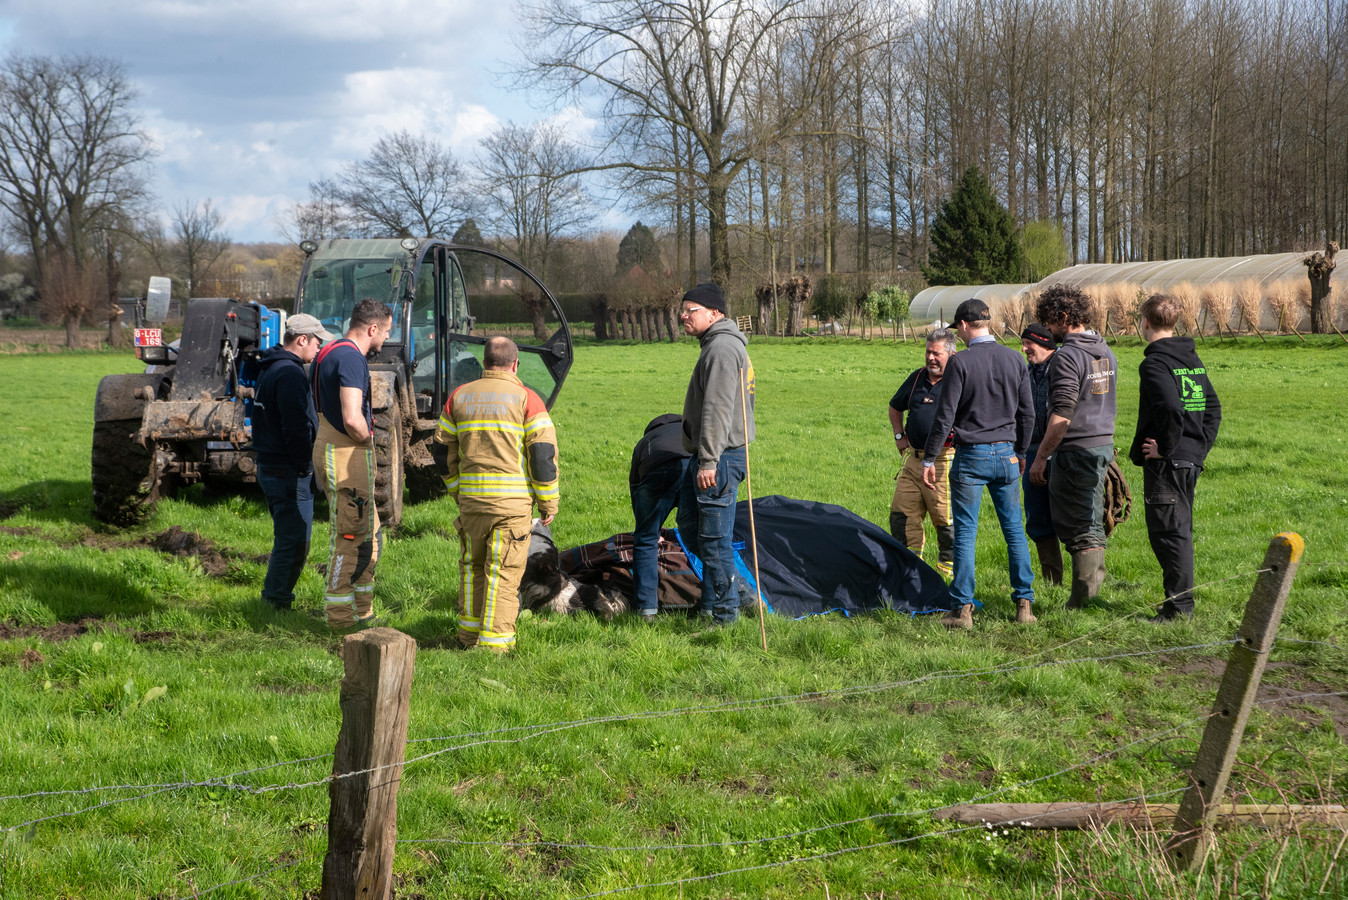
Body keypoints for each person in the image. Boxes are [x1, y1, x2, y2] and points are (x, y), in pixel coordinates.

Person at [434, 336, 559, 651]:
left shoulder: (458, 397)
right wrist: (548, 502)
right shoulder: (528, 399)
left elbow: (440, 451)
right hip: (511, 508)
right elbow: (543, 457)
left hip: (471, 505)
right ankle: (493, 649)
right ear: (515, 363)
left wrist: (457, 491)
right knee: (502, 574)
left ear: (485, 362)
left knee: (472, 569)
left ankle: (467, 637)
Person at [921, 298, 1036, 629]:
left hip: (971, 455)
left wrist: (929, 457)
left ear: (965, 326)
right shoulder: (1015, 359)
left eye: (959, 327)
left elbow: (945, 415)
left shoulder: (960, 363)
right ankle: (1024, 605)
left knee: (967, 533)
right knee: (1014, 529)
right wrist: (1022, 451)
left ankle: (962, 611)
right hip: (1007, 455)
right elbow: (1027, 413)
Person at [1129, 293, 1221, 622]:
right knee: (1178, 530)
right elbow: (1212, 408)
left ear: (1146, 322)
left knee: (1169, 533)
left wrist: (1166, 449)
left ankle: (1179, 608)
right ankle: (1176, 603)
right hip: (1189, 459)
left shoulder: (1154, 363)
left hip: (1169, 462)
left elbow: (1170, 407)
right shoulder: (1191, 360)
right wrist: (1198, 448)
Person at [1029, 285, 1118, 609]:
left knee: (1081, 525)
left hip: (1077, 450)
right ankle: (1089, 593)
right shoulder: (1104, 349)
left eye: (1049, 322)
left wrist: (1041, 457)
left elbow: (1062, 413)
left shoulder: (1068, 356)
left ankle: (1083, 599)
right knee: (1089, 520)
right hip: (1102, 445)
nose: (1048, 330)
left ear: (1063, 316)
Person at [676, 282, 755, 626]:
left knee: (713, 540)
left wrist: (708, 460)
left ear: (715, 313)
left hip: (720, 459)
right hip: (715, 456)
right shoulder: (717, 345)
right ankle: (731, 597)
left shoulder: (721, 349)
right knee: (692, 527)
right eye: (683, 310)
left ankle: (725, 616)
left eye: (690, 310)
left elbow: (718, 410)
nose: (683, 316)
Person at [311, 298, 393, 629]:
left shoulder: (329, 351)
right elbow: (352, 417)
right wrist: (371, 441)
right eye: (386, 331)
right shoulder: (351, 359)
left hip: (332, 449)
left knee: (369, 533)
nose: (386, 338)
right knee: (350, 537)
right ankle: (341, 619)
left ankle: (364, 611)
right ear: (372, 328)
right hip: (346, 455)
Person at [252, 313, 334, 611]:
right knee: (295, 541)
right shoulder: (289, 374)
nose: (318, 348)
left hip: (270, 464)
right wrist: (305, 466)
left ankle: (275, 599)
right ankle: (275, 602)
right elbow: (295, 426)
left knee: (290, 538)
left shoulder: (271, 366)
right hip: (287, 469)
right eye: (316, 342)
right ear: (302, 340)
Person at [887, 329, 957, 578]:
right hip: (913, 460)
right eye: (927, 352)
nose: (930, 358)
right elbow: (895, 406)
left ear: (951, 354)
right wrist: (899, 436)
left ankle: (946, 577)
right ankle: (910, 572)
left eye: (936, 353)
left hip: (943, 461)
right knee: (901, 516)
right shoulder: (917, 378)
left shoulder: (958, 381)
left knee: (946, 522)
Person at [629, 414, 691, 622]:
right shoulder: (689, 430)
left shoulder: (645, 442)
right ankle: (710, 608)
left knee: (645, 541)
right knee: (702, 539)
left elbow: (635, 488)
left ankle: (647, 611)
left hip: (658, 472)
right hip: (694, 469)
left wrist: (649, 529)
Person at [1020, 323, 1062, 585]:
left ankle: (1085, 588)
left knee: (1069, 517)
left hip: (1061, 451)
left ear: (1045, 344)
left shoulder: (1062, 368)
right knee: (1037, 518)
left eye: (1028, 344)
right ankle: (1052, 581)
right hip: (1030, 449)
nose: (1024, 349)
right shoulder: (1026, 372)